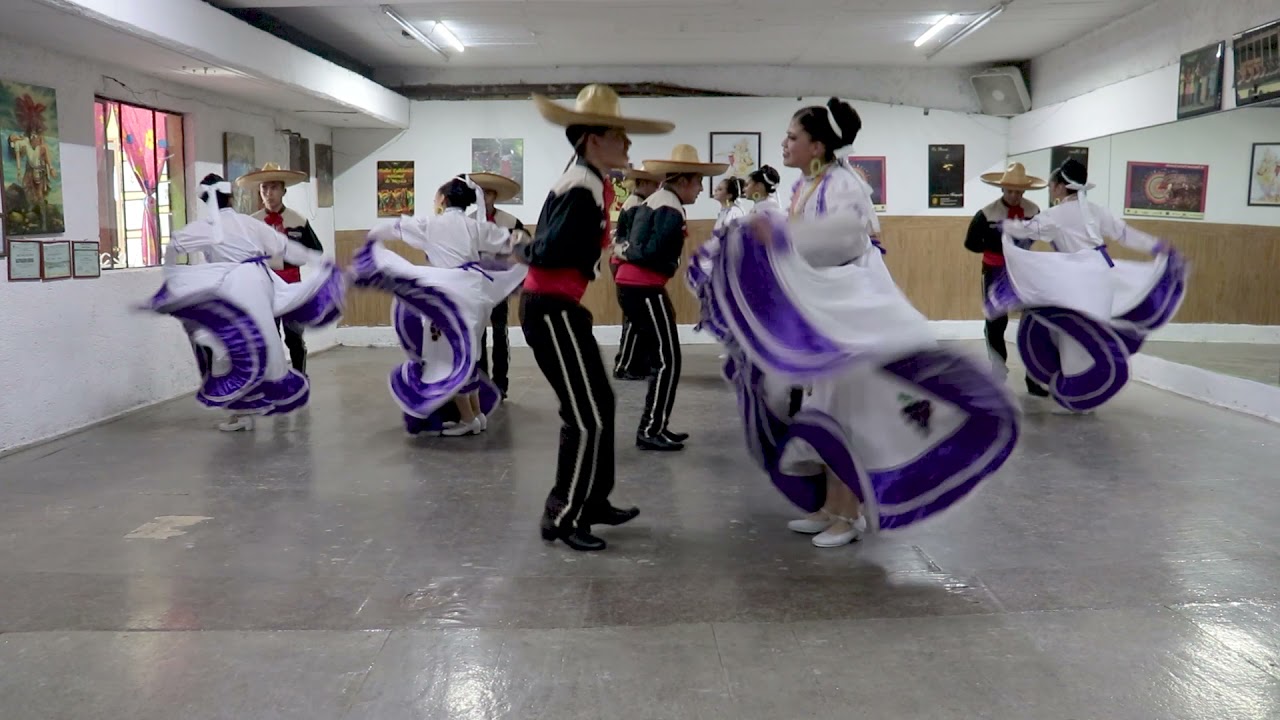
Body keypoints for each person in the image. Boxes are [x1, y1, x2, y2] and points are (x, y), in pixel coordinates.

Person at [692, 98, 1020, 548]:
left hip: (852, 313)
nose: (785, 143)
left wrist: (782, 238)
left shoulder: (843, 184)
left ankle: (849, 516)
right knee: (825, 407)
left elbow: (846, 237)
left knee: (847, 412)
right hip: (829, 311)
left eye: (793, 137)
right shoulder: (809, 184)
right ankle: (832, 507)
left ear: (817, 145)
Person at [518, 84, 674, 552]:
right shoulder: (581, 187)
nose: (628, 145)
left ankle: (592, 500)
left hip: (562, 309)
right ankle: (564, 516)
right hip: (551, 311)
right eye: (620, 136)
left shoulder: (589, 180)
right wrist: (516, 248)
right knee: (586, 416)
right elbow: (545, 251)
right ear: (593, 139)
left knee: (599, 405)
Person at [145, 174, 345, 432]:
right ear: (230, 197)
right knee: (266, 340)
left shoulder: (207, 226)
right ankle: (264, 399)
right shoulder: (248, 223)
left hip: (233, 285)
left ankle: (241, 412)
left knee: (231, 346)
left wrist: (173, 275)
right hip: (260, 281)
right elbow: (284, 247)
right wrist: (318, 261)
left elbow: (175, 244)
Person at [994, 157, 1188, 413]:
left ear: (1062, 187)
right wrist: (1155, 245)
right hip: (1102, 275)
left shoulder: (1056, 214)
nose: (1051, 189)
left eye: (1053, 185)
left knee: (1072, 334)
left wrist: (1003, 224)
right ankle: (1083, 398)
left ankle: (1075, 400)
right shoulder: (1096, 210)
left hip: (1079, 280)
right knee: (1088, 334)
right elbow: (1124, 233)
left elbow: (1025, 230)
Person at [352, 175, 527, 436]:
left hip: (446, 296)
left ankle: (467, 419)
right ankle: (477, 415)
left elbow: (393, 227)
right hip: (475, 295)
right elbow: (512, 241)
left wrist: (372, 239)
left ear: (443, 200)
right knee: (470, 355)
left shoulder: (430, 224)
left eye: (436, 197)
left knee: (446, 359)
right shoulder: (475, 227)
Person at [616, 145, 727, 451]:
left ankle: (655, 426)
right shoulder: (670, 207)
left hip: (635, 286)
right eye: (698, 182)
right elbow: (650, 252)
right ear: (684, 181)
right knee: (667, 360)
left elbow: (632, 244)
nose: (701, 188)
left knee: (665, 358)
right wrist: (670, 264)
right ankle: (651, 429)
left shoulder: (656, 200)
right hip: (644, 286)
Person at [964, 162, 1048, 396]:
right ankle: (997, 373)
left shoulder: (1034, 210)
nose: (1014, 196)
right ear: (1002, 190)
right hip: (994, 272)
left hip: (1023, 271)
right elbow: (970, 243)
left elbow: (1040, 234)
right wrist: (994, 244)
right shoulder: (987, 214)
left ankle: (1033, 379)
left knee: (1033, 325)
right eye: (1010, 191)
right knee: (995, 324)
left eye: (1019, 192)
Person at [237, 162, 326, 377]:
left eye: (274, 188)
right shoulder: (252, 223)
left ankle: (299, 376)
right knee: (269, 336)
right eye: (264, 188)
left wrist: (297, 256)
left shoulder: (298, 220)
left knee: (294, 335)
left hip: (292, 285)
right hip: (265, 285)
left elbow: (316, 250)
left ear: (284, 190)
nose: (269, 193)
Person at [468, 172, 528, 399]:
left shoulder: (510, 222)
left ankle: (501, 383)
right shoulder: (470, 222)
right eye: (481, 194)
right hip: (476, 285)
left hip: (500, 286)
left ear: (495, 196)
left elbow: (525, 248)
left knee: (500, 332)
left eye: (489, 193)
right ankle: (482, 382)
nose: (485, 198)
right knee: (479, 334)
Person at [611, 164, 662, 381]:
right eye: (653, 183)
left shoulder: (639, 203)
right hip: (627, 263)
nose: (658, 186)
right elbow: (634, 239)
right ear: (642, 184)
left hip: (628, 261)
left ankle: (637, 361)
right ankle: (626, 364)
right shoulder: (635, 205)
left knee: (636, 318)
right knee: (634, 318)